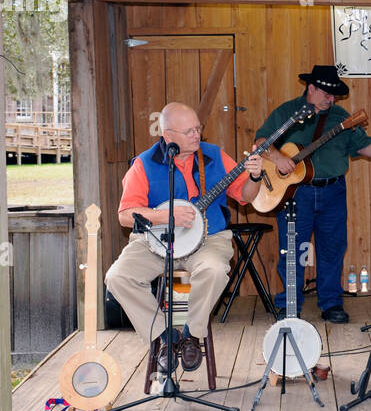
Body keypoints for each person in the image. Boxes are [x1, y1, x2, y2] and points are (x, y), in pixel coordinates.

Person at [105, 101, 263, 384]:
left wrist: (255, 175)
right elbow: (125, 215)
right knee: (118, 277)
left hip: (209, 239)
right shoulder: (144, 164)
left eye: (198, 128)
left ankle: (192, 334)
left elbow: (247, 196)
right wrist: (161, 216)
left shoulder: (214, 156)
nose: (196, 135)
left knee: (214, 270)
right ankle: (164, 337)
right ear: (168, 136)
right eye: (189, 130)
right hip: (156, 241)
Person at [256, 65, 371, 323]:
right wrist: (278, 157)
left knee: (332, 249)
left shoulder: (340, 116)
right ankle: (289, 305)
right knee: (291, 250)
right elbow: (260, 143)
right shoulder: (286, 112)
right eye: (327, 93)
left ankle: (331, 303)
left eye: (334, 95)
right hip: (295, 193)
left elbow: (362, 147)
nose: (331, 99)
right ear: (311, 88)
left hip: (333, 191)